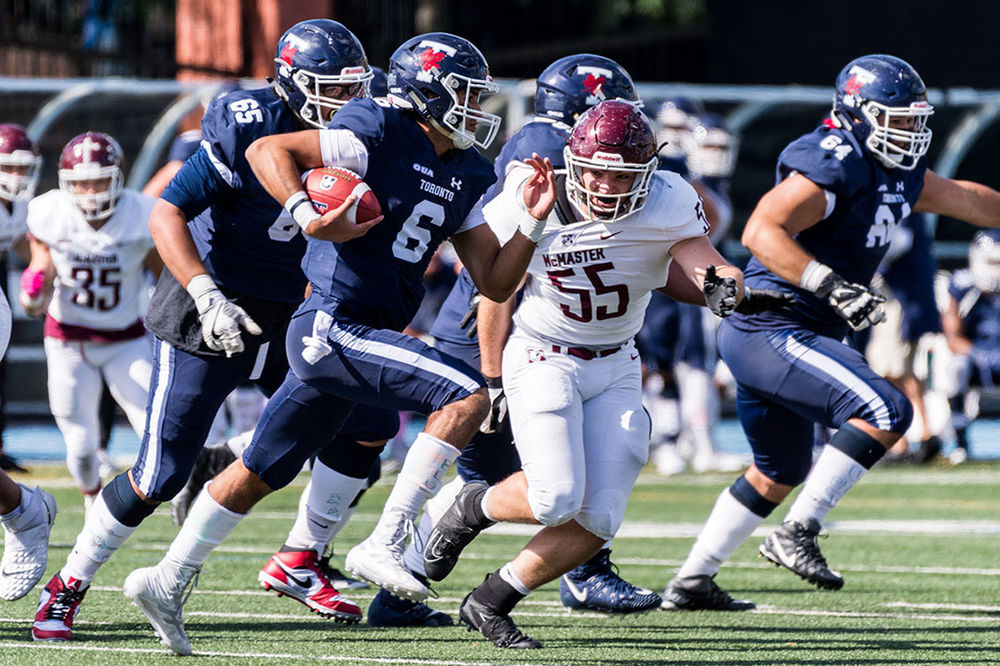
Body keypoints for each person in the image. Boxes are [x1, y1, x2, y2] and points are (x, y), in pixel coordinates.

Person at [112, 31, 540, 656]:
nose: (479, 110)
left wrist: (532, 219)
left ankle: (165, 578)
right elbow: (267, 149)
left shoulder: (469, 169)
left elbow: (496, 279)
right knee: (469, 394)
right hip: (330, 324)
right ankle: (384, 540)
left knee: (261, 469)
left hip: (367, 329)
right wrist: (303, 207)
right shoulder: (377, 126)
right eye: (467, 96)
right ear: (428, 93)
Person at [31, 19, 394, 643]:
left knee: (367, 425)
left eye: (354, 86)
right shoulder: (248, 119)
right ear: (294, 83)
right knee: (160, 474)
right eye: (333, 87)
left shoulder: (361, 133)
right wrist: (205, 291)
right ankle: (67, 587)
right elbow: (168, 211)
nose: (348, 100)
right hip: (211, 304)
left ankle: (301, 556)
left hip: (291, 308)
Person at [421, 100, 784, 649]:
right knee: (554, 498)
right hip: (545, 353)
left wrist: (725, 284)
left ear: (648, 170)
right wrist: (492, 377)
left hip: (616, 362)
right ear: (572, 160)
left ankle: (493, 598)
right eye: (593, 170)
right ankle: (469, 505)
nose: (605, 185)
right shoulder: (536, 189)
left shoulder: (668, 197)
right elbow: (495, 289)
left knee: (599, 517)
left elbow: (702, 259)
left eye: (621, 174)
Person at [661, 54, 1000, 611]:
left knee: (779, 470)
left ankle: (691, 581)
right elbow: (761, 228)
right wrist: (830, 283)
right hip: (771, 322)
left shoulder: (894, 169)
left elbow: (964, 198)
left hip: (794, 330)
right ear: (858, 114)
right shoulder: (835, 159)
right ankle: (797, 533)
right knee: (888, 409)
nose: (910, 132)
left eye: (916, 120)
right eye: (898, 119)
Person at [402, 54, 664, 617]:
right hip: (495, 325)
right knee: (514, 479)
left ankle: (408, 586)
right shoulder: (545, 147)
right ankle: (401, 582)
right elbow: (514, 266)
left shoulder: (583, 153)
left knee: (561, 478)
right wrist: (492, 370)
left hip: (518, 324)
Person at [19, 131, 162, 510]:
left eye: (99, 180)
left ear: (118, 176)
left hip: (126, 339)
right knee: (81, 450)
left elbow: (164, 277)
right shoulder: (50, 213)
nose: (91, 191)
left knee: (156, 429)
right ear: (66, 185)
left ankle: (173, 495)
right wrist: (33, 293)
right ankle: (92, 505)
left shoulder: (141, 214)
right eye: (80, 183)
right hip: (69, 340)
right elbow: (39, 281)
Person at [0, 123, 56, 604]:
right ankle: (22, 509)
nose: (16, 177)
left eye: (23, 168)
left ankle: (23, 511)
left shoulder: (23, 206)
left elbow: (28, 242)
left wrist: (39, 272)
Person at [941, 229, 1000, 463]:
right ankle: (960, 443)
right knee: (955, 368)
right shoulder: (962, 285)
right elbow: (952, 338)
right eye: (993, 262)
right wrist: (978, 353)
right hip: (976, 357)